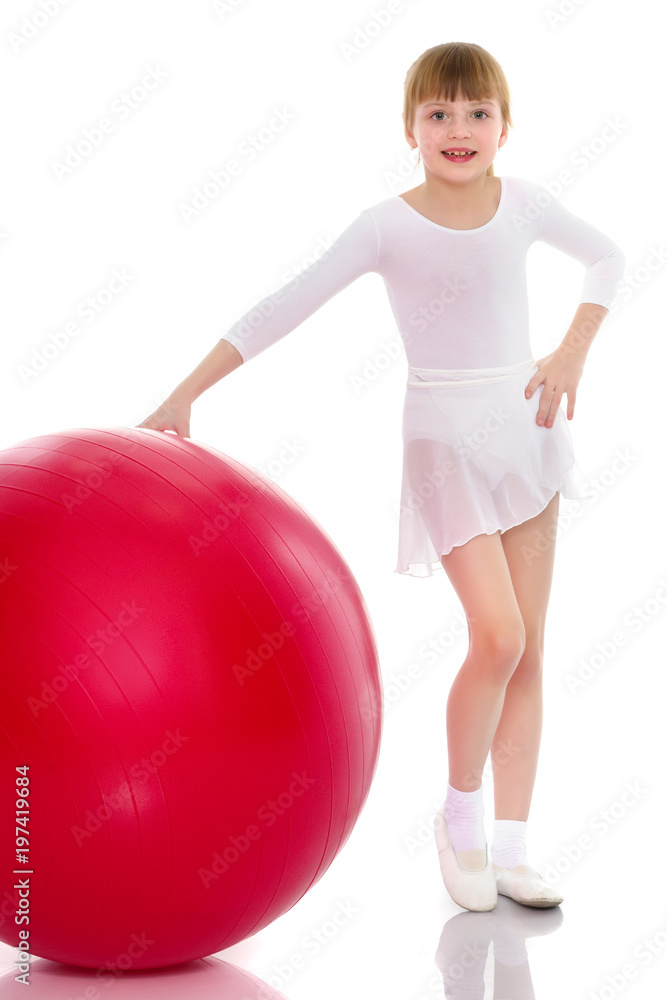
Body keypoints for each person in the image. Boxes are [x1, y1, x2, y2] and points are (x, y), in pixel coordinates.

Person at [137, 42, 625, 912]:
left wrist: (570, 349)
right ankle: (460, 819)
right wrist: (184, 392)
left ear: (504, 127)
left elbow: (606, 259)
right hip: (443, 445)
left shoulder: (524, 206)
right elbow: (284, 303)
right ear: (409, 128)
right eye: (437, 113)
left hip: (525, 432)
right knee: (498, 637)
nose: (458, 128)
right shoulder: (384, 225)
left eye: (476, 112)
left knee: (531, 653)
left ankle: (512, 849)